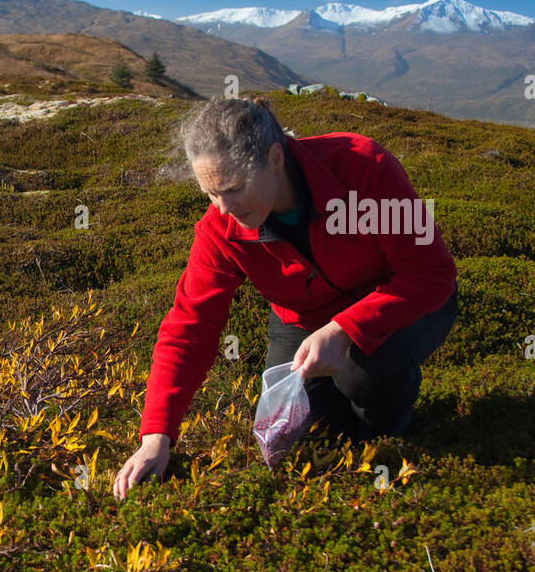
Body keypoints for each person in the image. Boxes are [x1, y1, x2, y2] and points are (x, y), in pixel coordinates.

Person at [113, 95, 458, 500]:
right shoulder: (220, 228)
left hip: (405, 301)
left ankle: (393, 433)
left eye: (234, 188)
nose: (224, 209)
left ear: (275, 158)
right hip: (303, 317)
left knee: (362, 372)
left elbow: (431, 274)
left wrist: (346, 329)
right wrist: (157, 434)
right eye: (210, 193)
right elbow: (189, 327)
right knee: (296, 439)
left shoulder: (363, 166)